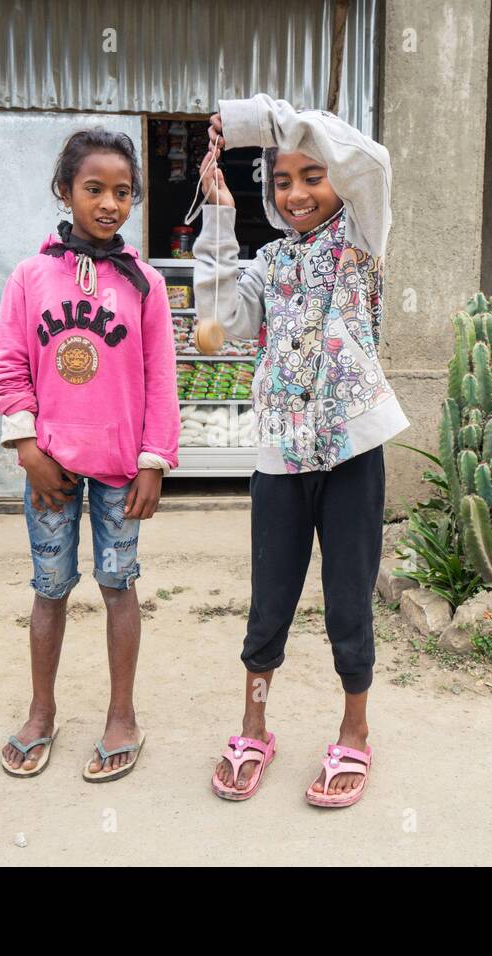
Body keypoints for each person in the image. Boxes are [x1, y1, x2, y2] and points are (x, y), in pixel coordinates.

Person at [194, 95, 407, 807]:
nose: (296, 194)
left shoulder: (362, 238)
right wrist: (220, 218)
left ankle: (354, 733)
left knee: (349, 601)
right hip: (281, 457)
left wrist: (260, 123)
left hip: (352, 453)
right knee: (269, 605)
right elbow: (221, 320)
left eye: (312, 176)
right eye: (281, 182)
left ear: (336, 181)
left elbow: (370, 160)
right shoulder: (270, 263)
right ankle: (255, 725)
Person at [0, 128, 179, 781]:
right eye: (94, 188)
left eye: (123, 192)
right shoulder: (30, 276)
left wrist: (153, 461)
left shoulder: (144, 284)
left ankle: (121, 714)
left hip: (121, 470)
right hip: (52, 471)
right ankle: (41, 712)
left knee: (119, 585)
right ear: (64, 190)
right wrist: (27, 449)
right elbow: (9, 368)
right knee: (49, 590)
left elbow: (160, 381)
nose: (109, 203)